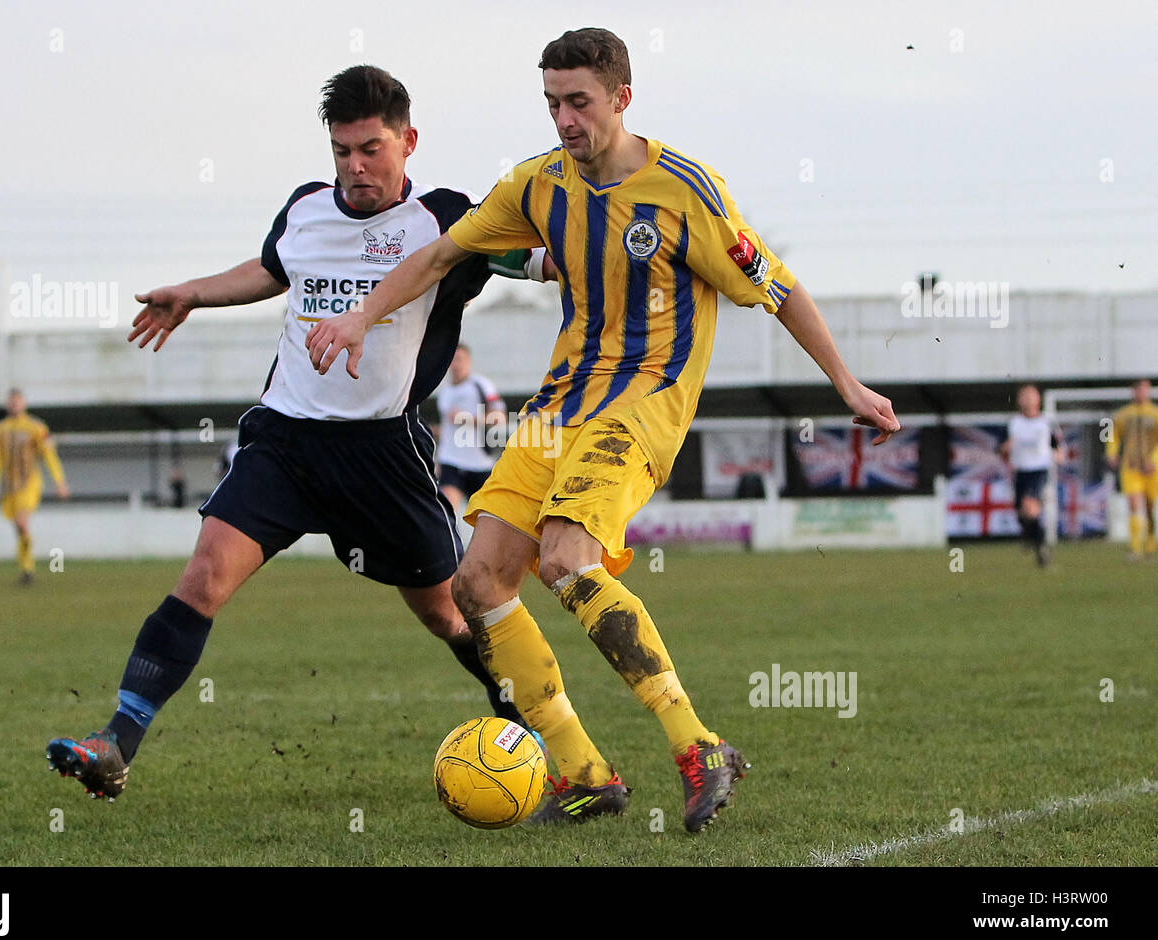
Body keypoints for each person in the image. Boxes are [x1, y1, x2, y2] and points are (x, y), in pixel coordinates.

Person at [307, 28, 900, 832]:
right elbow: (443, 256)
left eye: (579, 102)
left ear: (622, 98)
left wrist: (845, 380)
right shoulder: (537, 184)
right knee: (476, 584)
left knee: (564, 557)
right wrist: (360, 317)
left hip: (643, 404)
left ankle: (699, 749)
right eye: (552, 103)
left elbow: (778, 287)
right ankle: (584, 774)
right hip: (558, 407)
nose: (564, 119)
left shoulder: (687, 191)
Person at [45, 65, 552, 800]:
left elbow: (538, 258)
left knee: (450, 610)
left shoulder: (446, 221)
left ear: (409, 142)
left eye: (371, 148)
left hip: (382, 453)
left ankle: (535, 731)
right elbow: (274, 269)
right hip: (285, 440)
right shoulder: (307, 209)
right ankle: (116, 742)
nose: (355, 167)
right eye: (342, 150)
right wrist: (195, 292)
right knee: (205, 575)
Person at [0, 388, 68, 585]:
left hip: (30, 483)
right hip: (10, 485)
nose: (14, 404)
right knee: (19, 527)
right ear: (8, 404)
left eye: (17, 401)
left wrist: (60, 482)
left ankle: (28, 569)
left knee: (22, 523)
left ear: (24, 403)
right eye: (11, 401)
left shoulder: (36, 427)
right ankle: (26, 569)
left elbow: (49, 455)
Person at [435, 343, 507, 521]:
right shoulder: (444, 391)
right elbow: (449, 429)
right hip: (451, 462)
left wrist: (466, 418)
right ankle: (453, 549)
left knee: (488, 519)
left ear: (468, 361)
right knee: (446, 514)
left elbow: (499, 418)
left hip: (479, 463)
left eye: (459, 359)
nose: (456, 365)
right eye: (452, 360)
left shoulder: (480, 385)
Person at [1001, 383, 1064, 566]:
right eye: (1024, 395)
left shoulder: (1046, 421)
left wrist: (1058, 454)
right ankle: (1036, 542)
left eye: (1031, 395)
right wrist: (1005, 449)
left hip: (1040, 469)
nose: (1027, 399)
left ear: (1038, 399)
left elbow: (1057, 444)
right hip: (1020, 471)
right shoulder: (1014, 423)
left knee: (1030, 506)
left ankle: (1041, 547)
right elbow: (1001, 449)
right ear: (1019, 400)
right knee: (1022, 514)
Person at [1105, 379, 1158, 560]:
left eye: (1145, 389)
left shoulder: (1155, 413)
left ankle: (1150, 545)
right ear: (1133, 392)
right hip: (1131, 467)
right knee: (1134, 505)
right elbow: (1110, 434)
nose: (1142, 393)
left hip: (1152, 469)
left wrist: (1154, 460)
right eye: (1138, 390)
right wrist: (1111, 453)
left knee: (1150, 508)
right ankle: (1135, 548)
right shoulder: (1122, 414)